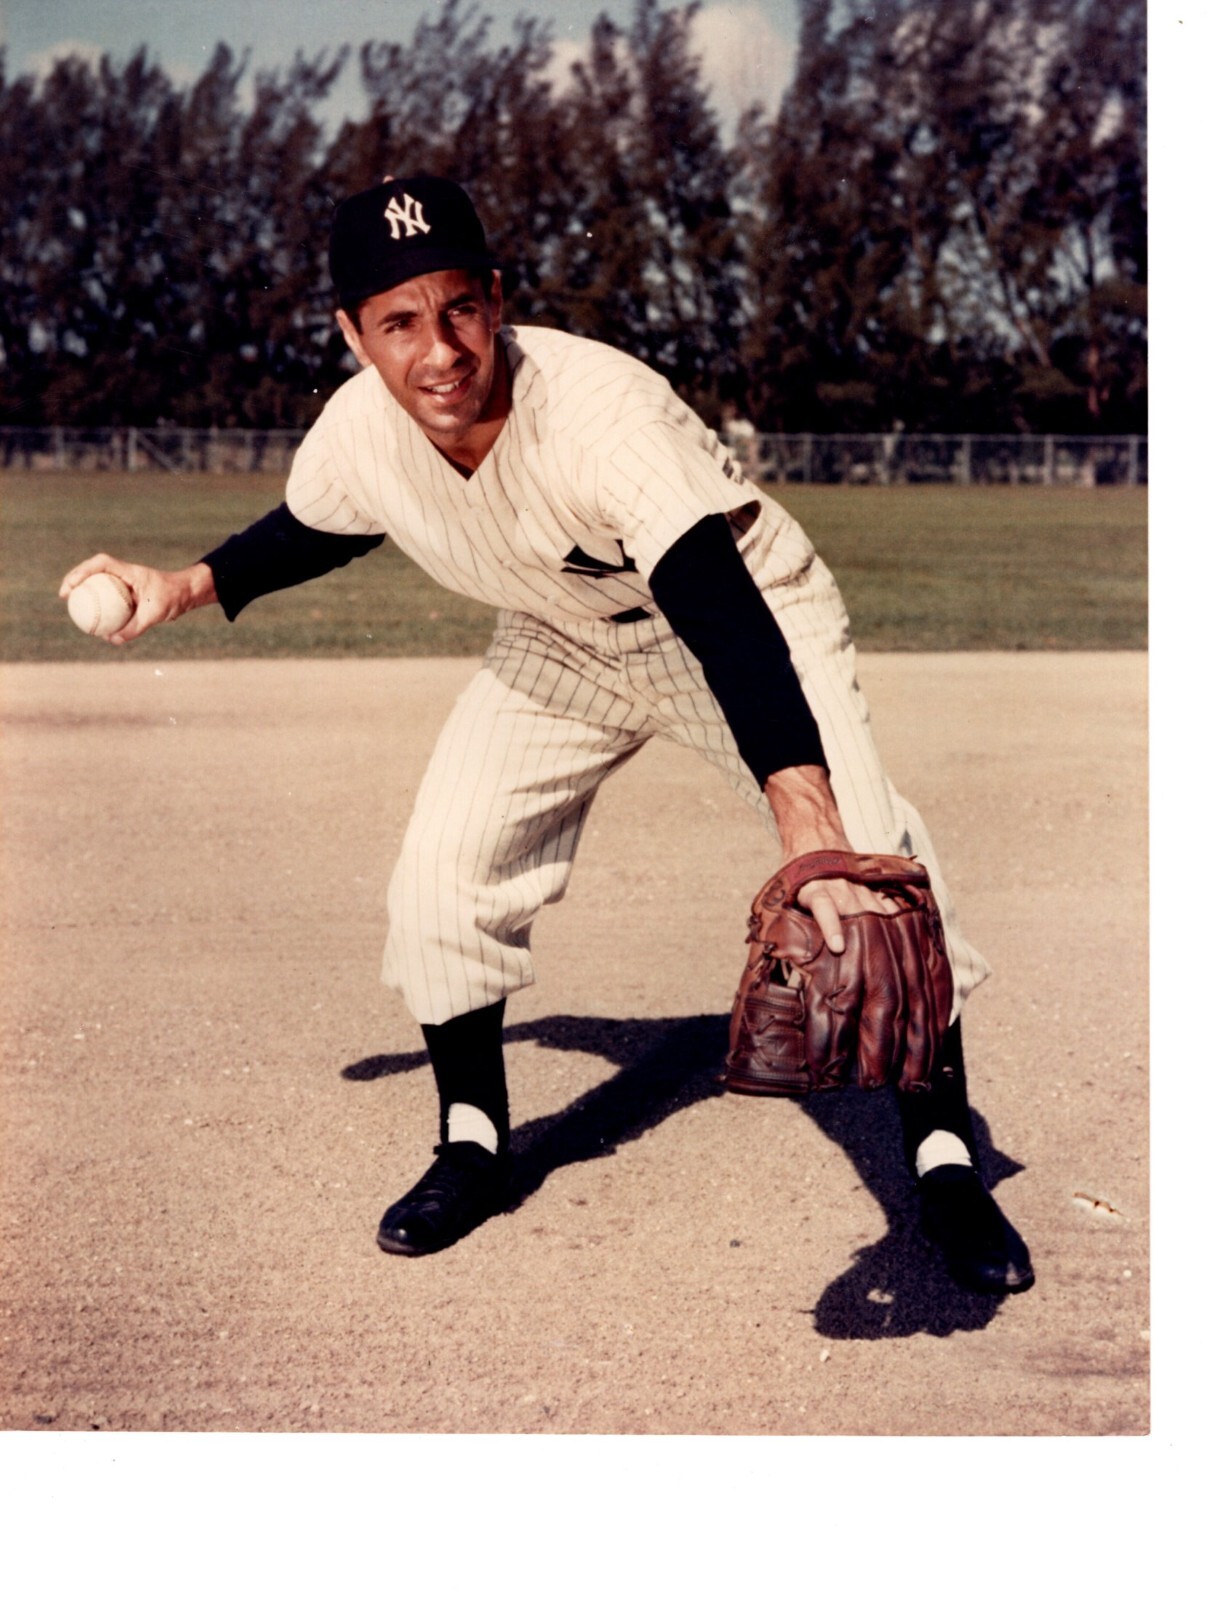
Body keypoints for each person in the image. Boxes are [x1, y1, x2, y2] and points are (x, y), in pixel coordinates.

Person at [60, 176, 1033, 1294]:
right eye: (399, 321)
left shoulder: (597, 411)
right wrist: (178, 587)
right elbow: (316, 526)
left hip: (745, 613)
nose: (441, 350)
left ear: (497, 298)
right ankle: (473, 1138)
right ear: (352, 334)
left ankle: (946, 1162)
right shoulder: (359, 429)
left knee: (870, 863)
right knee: (443, 872)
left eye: (460, 307)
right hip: (559, 639)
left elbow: (718, 610)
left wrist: (808, 826)